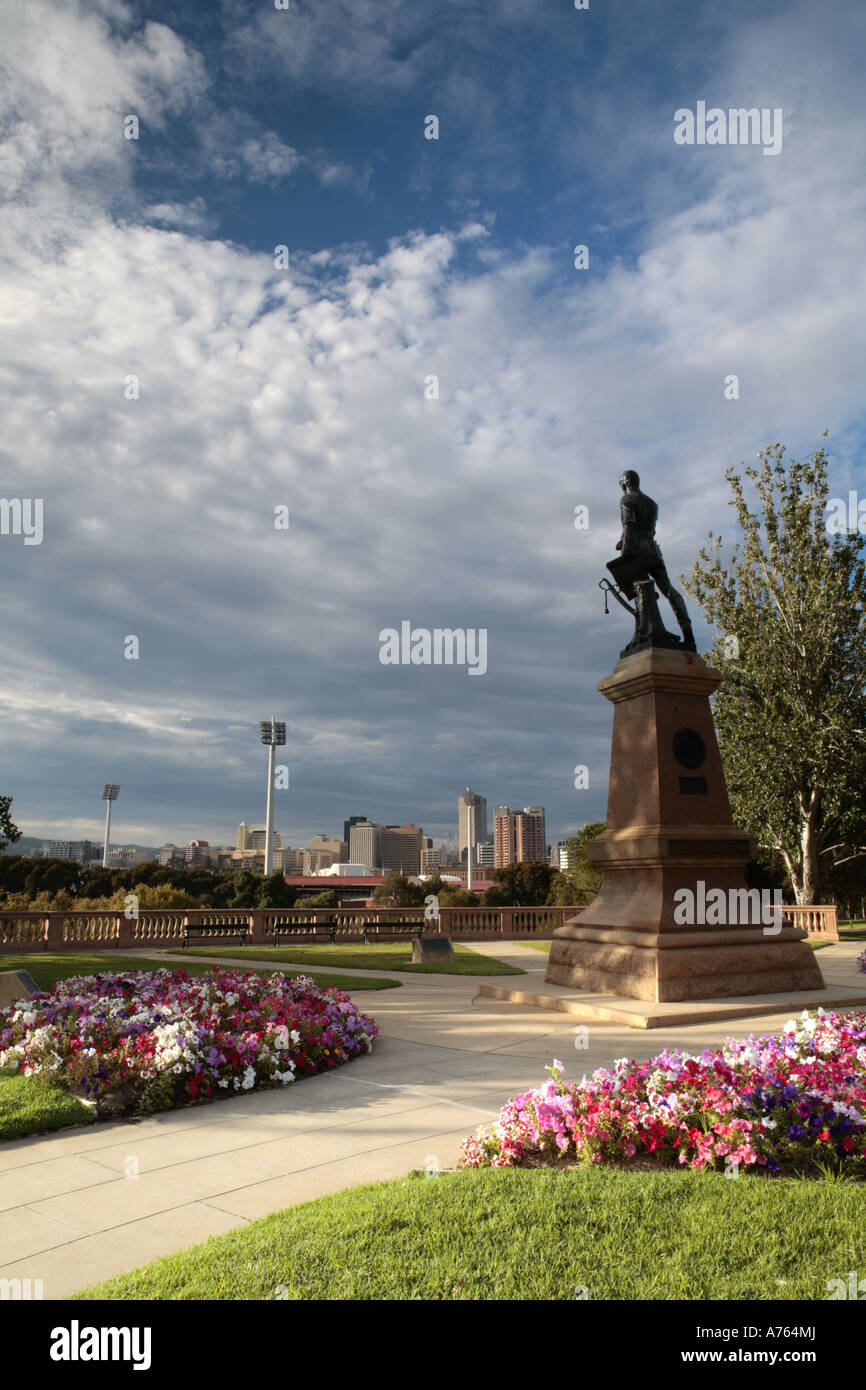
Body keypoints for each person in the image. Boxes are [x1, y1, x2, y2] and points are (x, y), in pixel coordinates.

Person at [616, 470, 695, 648]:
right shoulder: (652, 503)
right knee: (668, 589)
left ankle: (645, 632)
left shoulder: (626, 500)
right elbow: (649, 529)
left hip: (637, 549)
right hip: (653, 549)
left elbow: (630, 525)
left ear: (626, 482)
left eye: (621, 483)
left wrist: (626, 554)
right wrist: (622, 540)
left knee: (640, 591)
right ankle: (687, 632)